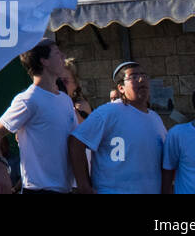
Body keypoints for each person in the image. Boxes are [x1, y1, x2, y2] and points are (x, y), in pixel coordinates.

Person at [0, 39, 77, 194]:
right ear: (44, 61)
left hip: (66, 189)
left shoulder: (66, 100)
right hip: (39, 190)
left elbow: (74, 143)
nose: (63, 57)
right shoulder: (29, 100)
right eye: (57, 53)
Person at [69, 61, 166, 194]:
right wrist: (84, 186)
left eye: (144, 75)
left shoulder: (155, 118)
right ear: (121, 88)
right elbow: (76, 143)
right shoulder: (109, 112)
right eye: (133, 77)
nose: (141, 79)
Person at [59, 56, 92, 122]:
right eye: (58, 80)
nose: (60, 84)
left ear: (75, 84)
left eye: (65, 81)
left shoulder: (81, 107)